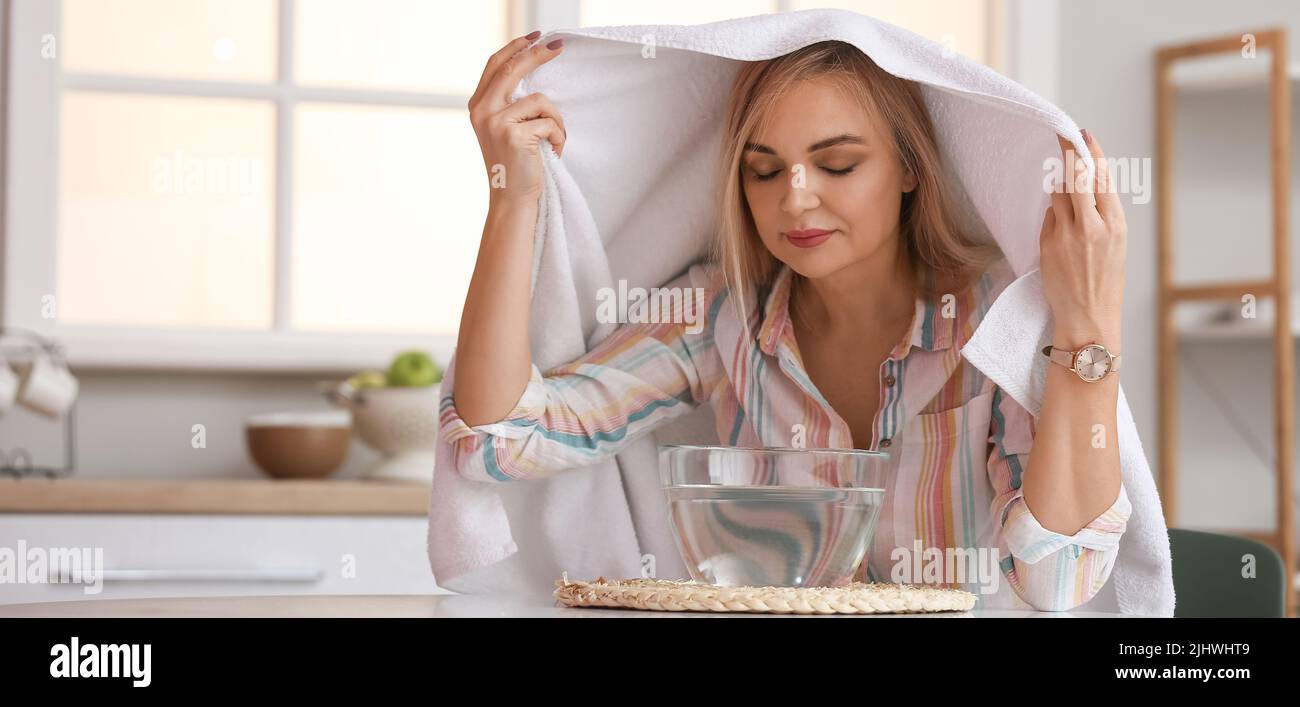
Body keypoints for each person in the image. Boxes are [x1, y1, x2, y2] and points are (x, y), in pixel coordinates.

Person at [444, 33, 1131, 611]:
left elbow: (1059, 577)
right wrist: (514, 198)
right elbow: (500, 439)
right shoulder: (721, 316)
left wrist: (1087, 329)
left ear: (911, 167)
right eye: (764, 170)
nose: (796, 200)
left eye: (836, 164)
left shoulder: (992, 321)